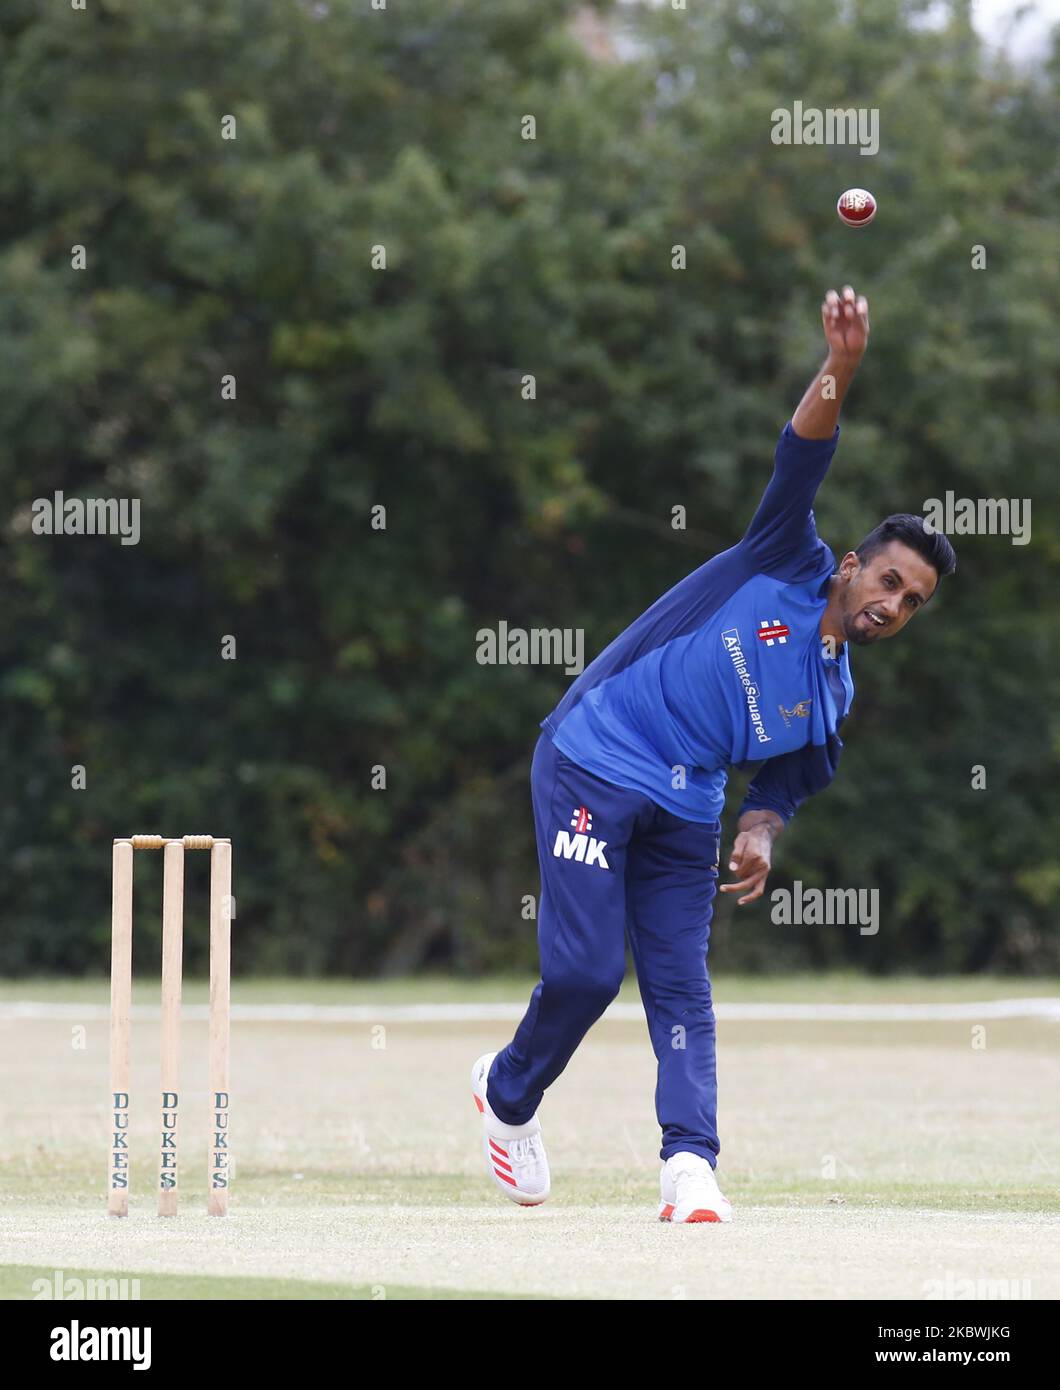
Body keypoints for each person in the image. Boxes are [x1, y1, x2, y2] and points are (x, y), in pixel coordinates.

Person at [471, 286, 956, 1222]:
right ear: (853, 566)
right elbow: (802, 451)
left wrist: (763, 829)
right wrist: (843, 366)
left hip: (688, 808)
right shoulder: (781, 555)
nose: (894, 604)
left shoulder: (833, 696)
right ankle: (507, 1096)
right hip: (596, 755)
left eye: (913, 602)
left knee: (682, 985)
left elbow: (790, 778)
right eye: (890, 579)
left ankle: (690, 1166)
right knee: (583, 978)